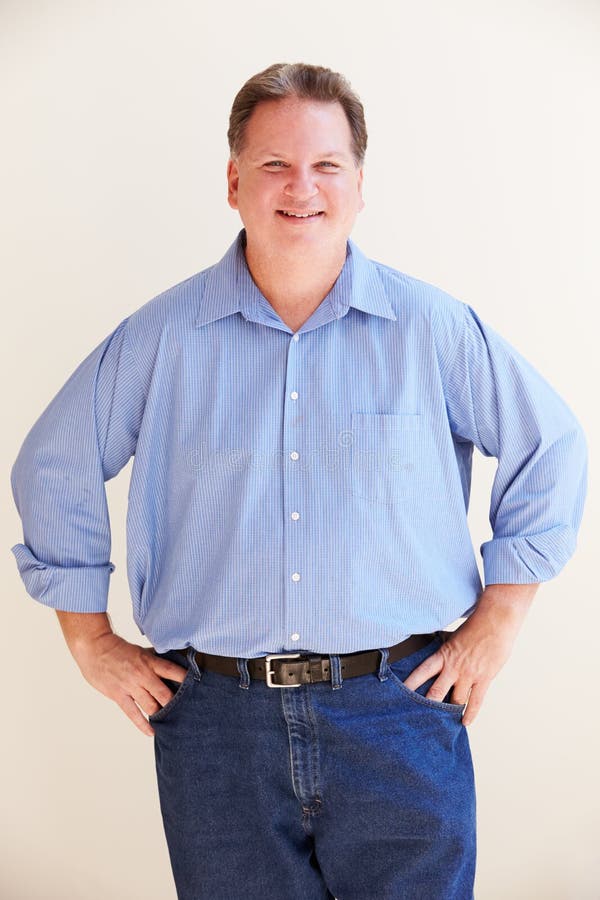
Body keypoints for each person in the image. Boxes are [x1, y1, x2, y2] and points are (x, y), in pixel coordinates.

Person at [11, 62, 587, 900]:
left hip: (398, 707)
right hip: (215, 724)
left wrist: (501, 617)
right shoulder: (161, 337)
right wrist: (88, 639)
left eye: (326, 166)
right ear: (235, 181)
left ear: (358, 184)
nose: (301, 187)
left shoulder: (433, 329)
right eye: (275, 164)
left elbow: (555, 447)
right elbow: (52, 462)